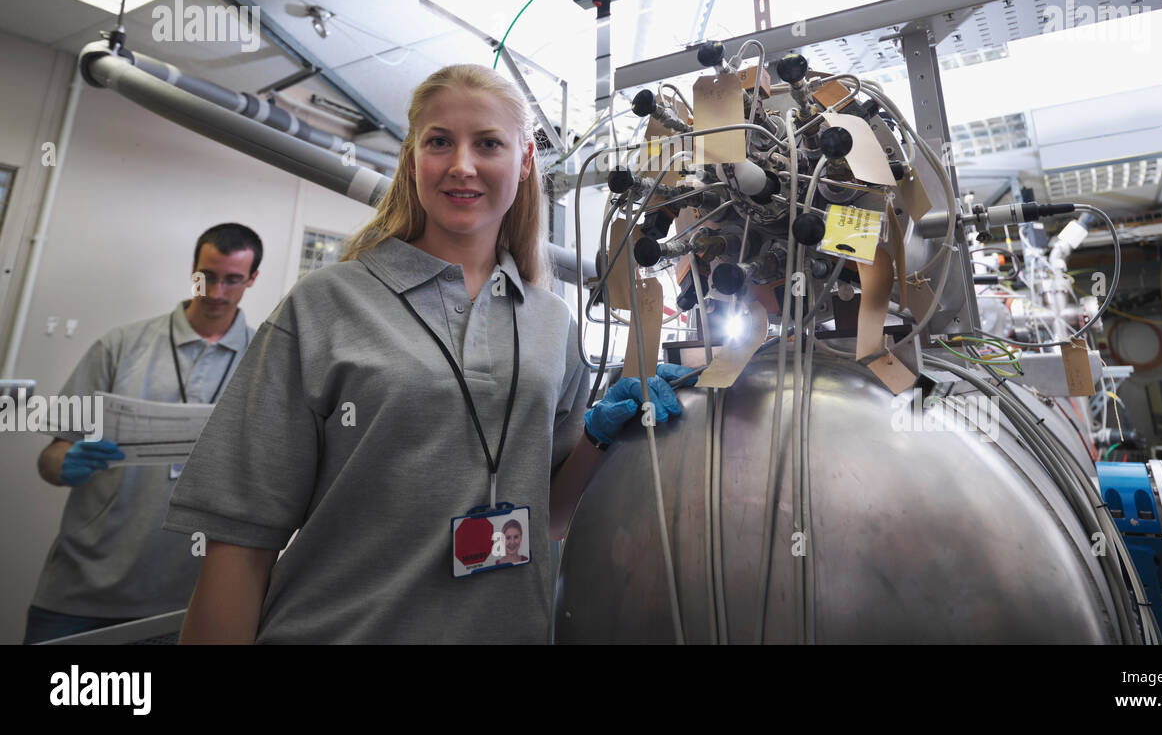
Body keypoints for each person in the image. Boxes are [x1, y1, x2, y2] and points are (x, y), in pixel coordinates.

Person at [166, 64, 690, 644]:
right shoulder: (327, 304)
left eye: (487, 143)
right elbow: (239, 543)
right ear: (413, 158)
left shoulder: (550, 321)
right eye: (440, 142)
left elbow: (551, 519)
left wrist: (599, 435)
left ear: (523, 162)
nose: (461, 165)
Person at [25, 224, 261, 644]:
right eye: (206, 276)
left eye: (232, 279)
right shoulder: (120, 346)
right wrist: (67, 461)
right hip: (82, 593)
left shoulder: (267, 360)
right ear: (192, 269)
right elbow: (50, 459)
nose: (217, 292)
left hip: (197, 602)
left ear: (252, 279)